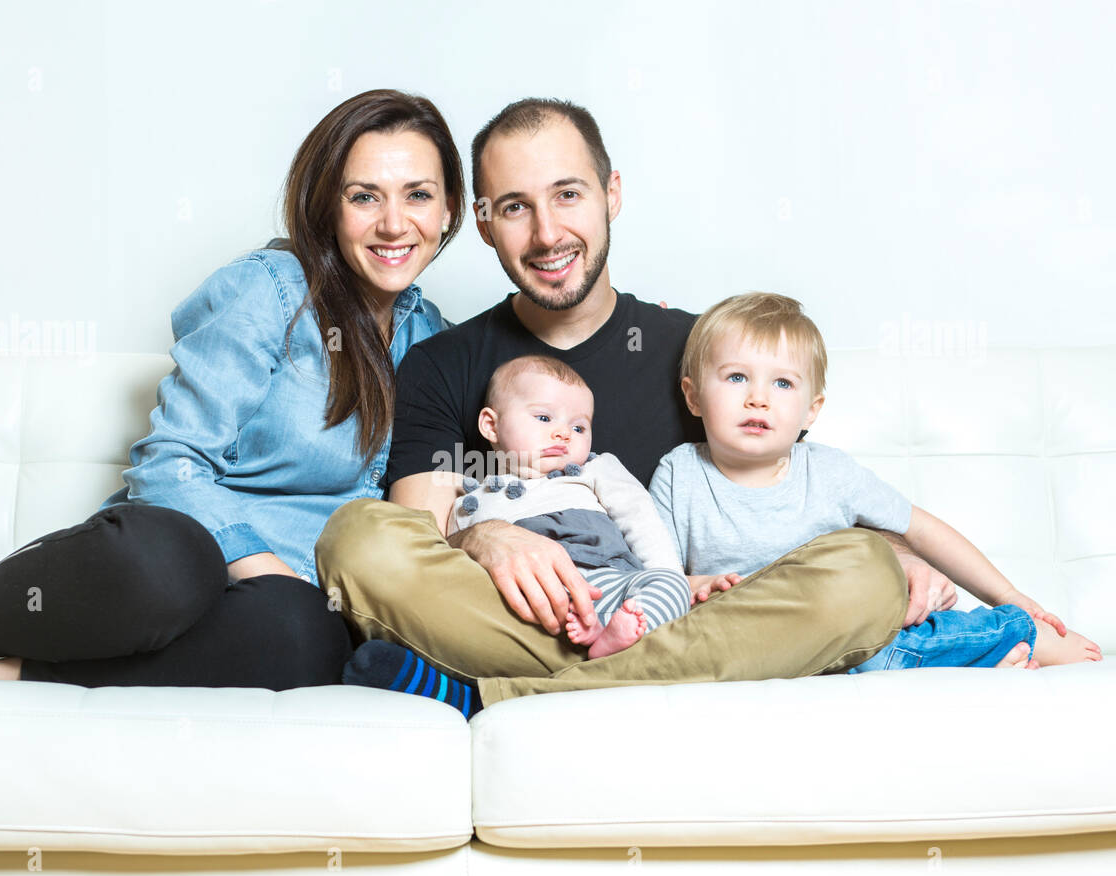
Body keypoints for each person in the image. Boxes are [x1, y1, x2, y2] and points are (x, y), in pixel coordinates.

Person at [316, 97, 933, 714]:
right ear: (482, 223)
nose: (548, 233)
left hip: (684, 615)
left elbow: (793, 488)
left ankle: (487, 696)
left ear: (612, 193)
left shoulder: (699, 353)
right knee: (358, 538)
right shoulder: (443, 362)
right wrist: (484, 537)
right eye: (514, 207)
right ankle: (635, 678)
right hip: (523, 627)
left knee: (867, 572)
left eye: (568, 195)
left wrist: (903, 559)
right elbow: (415, 539)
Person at [0, 89, 465, 690]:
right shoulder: (269, 292)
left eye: (417, 195)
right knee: (164, 565)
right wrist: (261, 565)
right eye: (364, 197)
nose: (393, 223)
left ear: (449, 209)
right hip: (183, 561)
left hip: (286, 606)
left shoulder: (437, 344)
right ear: (329, 206)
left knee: (305, 639)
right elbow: (170, 465)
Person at [650, 291, 1103, 673]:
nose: (758, 398)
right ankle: (970, 662)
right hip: (749, 641)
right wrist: (694, 584)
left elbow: (922, 530)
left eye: (783, 384)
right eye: (736, 377)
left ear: (812, 410)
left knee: (900, 641)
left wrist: (1010, 594)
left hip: (849, 634)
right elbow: (655, 573)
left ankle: (1015, 633)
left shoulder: (828, 472)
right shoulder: (679, 473)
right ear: (693, 396)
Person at [447, 355, 691, 659]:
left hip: (609, 586)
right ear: (491, 425)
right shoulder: (470, 502)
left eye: (578, 428)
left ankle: (608, 639)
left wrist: (667, 573)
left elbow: (641, 519)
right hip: (533, 604)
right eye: (544, 418)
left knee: (671, 586)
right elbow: (454, 569)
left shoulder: (595, 469)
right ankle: (595, 647)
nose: (563, 433)